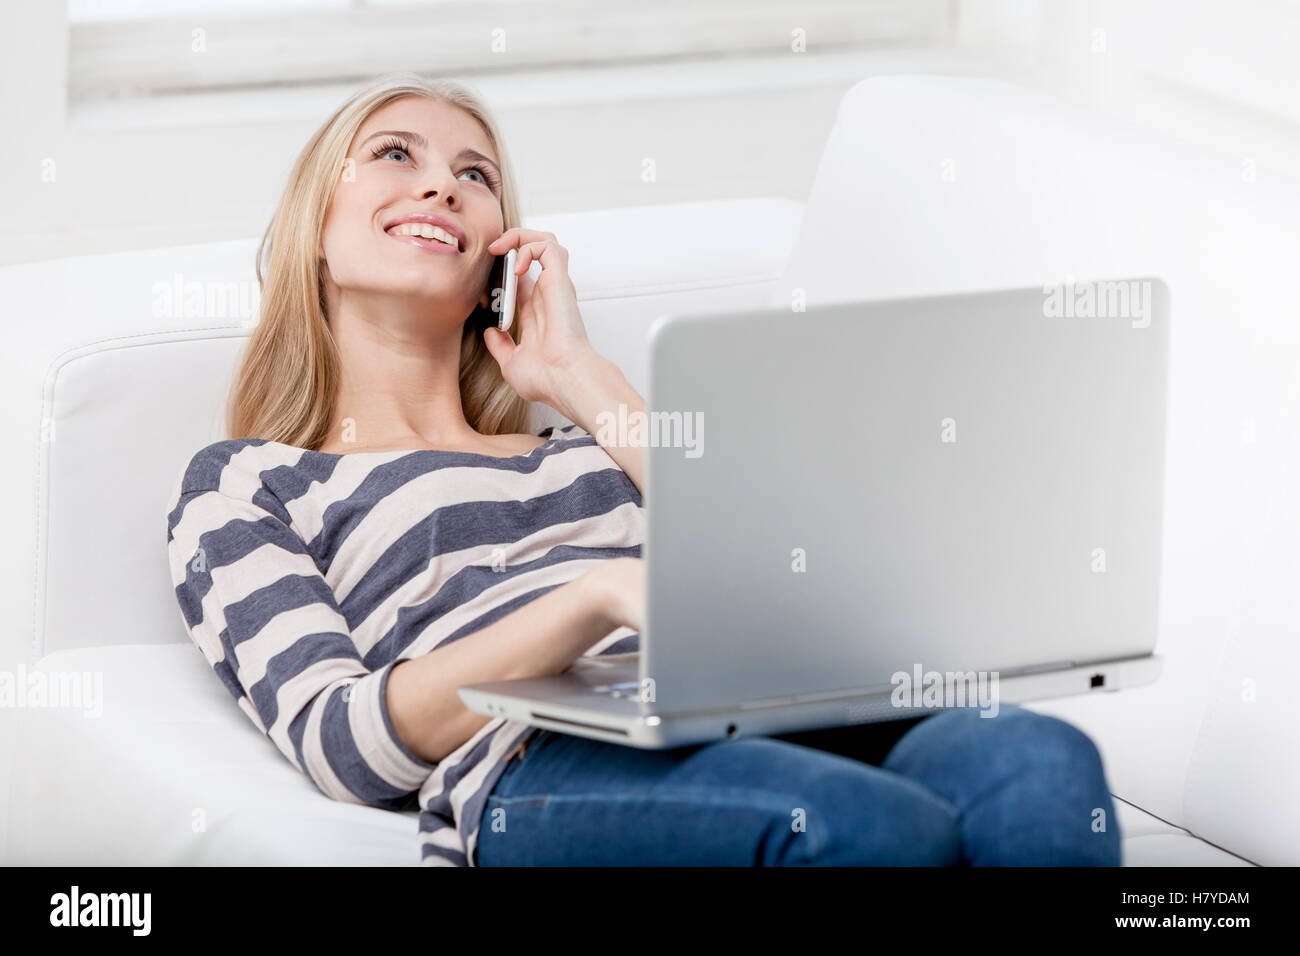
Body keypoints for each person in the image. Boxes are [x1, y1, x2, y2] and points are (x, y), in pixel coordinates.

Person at [165, 72, 1122, 867]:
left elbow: (812, 572)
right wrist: (596, 598)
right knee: (864, 829)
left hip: (760, 706)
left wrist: (581, 378)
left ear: (499, 262)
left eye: (475, 174)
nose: (442, 187)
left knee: (1039, 764)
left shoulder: (590, 449)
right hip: (540, 762)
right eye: (394, 155)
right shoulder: (254, 483)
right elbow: (343, 743)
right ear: (314, 231)